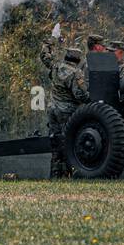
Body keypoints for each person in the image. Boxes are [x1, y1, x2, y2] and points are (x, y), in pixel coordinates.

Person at [46, 44, 89, 178]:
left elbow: (45, 57)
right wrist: (91, 98)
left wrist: (48, 44)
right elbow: (80, 95)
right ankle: (66, 174)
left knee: (55, 142)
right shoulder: (75, 73)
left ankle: (55, 174)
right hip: (67, 112)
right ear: (77, 60)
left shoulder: (56, 66)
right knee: (67, 143)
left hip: (52, 109)